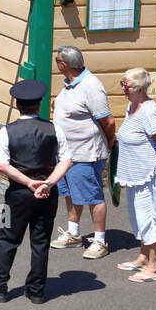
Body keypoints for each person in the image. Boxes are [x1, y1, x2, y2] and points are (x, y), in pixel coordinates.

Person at [0, 79, 74, 304]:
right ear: (39, 105)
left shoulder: (7, 131)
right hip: (48, 195)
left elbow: (2, 165)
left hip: (17, 195)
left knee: (6, 238)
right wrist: (47, 183)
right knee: (41, 241)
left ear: (18, 105)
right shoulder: (54, 129)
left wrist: (29, 183)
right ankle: (36, 291)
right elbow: (67, 161)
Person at [113, 68, 156, 283]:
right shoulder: (131, 106)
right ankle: (143, 257)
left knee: (150, 218)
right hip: (135, 171)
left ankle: (154, 268)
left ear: (141, 88)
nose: (124, 88)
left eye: (128, 85)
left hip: (150, 172)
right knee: (138, 216)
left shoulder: (150, 111)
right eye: (122, 83)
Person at [49, 46, 117, 259]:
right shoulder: (70, 83)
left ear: (64, 65)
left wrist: (108, 142)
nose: (56, 62)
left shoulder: (91, 87)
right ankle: (74, 234)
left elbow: (108, 121)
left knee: (92, 196)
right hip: (67, 154)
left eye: (57, 59)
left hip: (86, 154)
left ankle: (99, 240)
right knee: (70, 194)